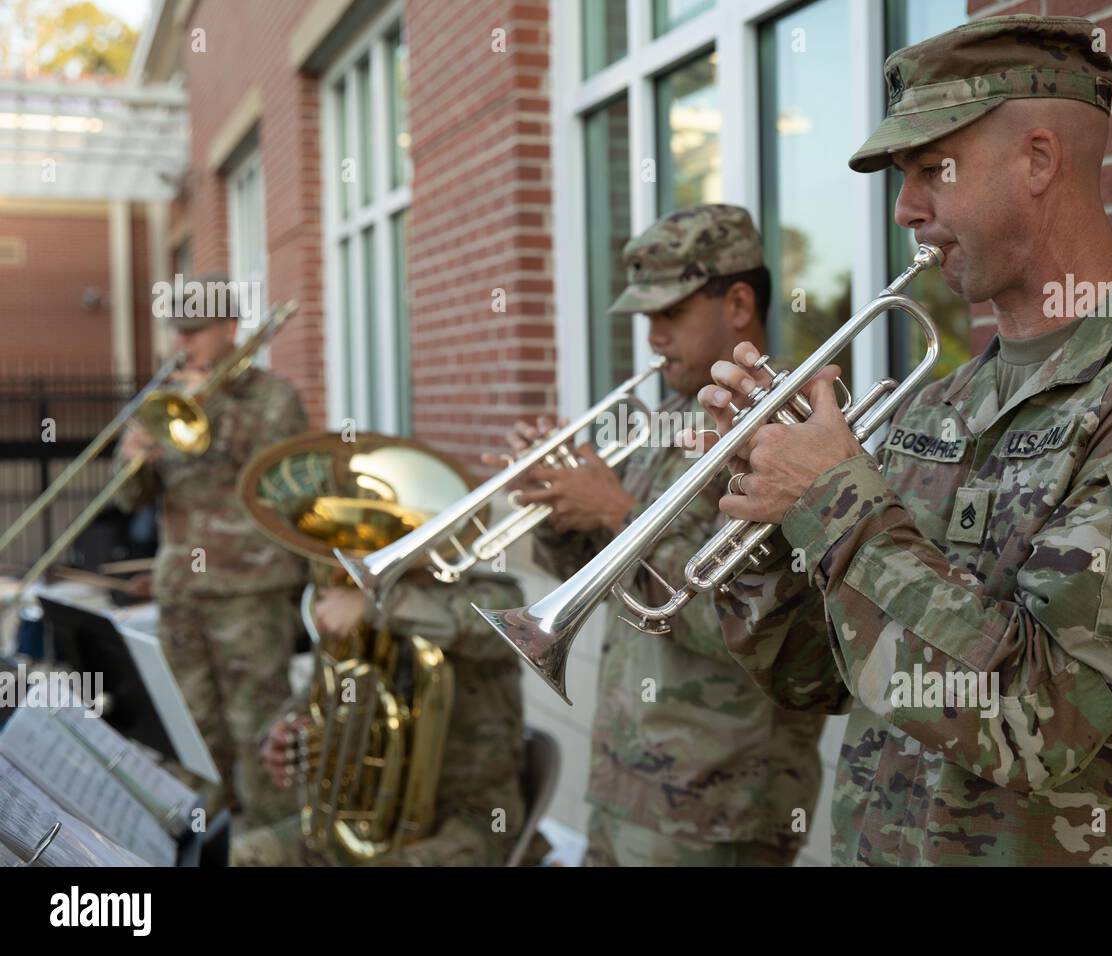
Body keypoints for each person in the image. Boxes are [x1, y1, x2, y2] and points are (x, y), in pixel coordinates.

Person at [697, 15, 1112, 866]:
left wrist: (833, 500)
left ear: (1038, 161)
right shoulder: (943, 403)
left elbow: (1036, 721)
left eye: (931, 169)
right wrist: (764, 515)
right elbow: (813, 676)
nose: (906, 209)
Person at [496, 204, 825, 866]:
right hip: (625, 777)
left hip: (716, 805)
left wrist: (619, 513)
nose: (651, 338)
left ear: (737, 304)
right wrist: (561, 507)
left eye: (668, 314)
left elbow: (757, 629)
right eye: (646, 318)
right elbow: (617, 586)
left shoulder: (794, 432)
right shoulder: (670, 419)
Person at [115, 279, 307, 827]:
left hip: (250, 589)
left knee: (259, 728)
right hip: (181, 588)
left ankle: (271, 846)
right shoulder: (165, 398)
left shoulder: (272, 396)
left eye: (195, 331)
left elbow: (282, 480)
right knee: (192, 730)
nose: (184, 343)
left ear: (229, 329)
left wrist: (211, 401)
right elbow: (130, 499)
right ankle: (206, 839)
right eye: (178, 331)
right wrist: (135, 454)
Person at [232, 570, 547, 866]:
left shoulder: (496, 594)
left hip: (472, 820)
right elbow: (319, 695)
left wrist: (374, 607)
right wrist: (287, 732)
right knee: (248, 855)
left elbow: (482, 626)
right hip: (366, 818)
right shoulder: (358, 602)